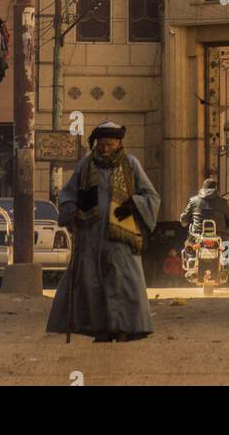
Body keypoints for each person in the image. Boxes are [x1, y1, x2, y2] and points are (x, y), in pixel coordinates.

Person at [46, 121, 160, 343]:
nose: (105, 148)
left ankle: (126, 327)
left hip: (122, 235)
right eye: (102, 144)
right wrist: (74, 213)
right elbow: (68, 196)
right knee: (92, 282)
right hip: (91, 235)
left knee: (124, 280)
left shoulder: (131, 164)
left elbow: (151, 196)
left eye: (110, 144)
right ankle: (100, 329)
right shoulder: (85, 166)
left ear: (119, 143)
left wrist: (134, 203)